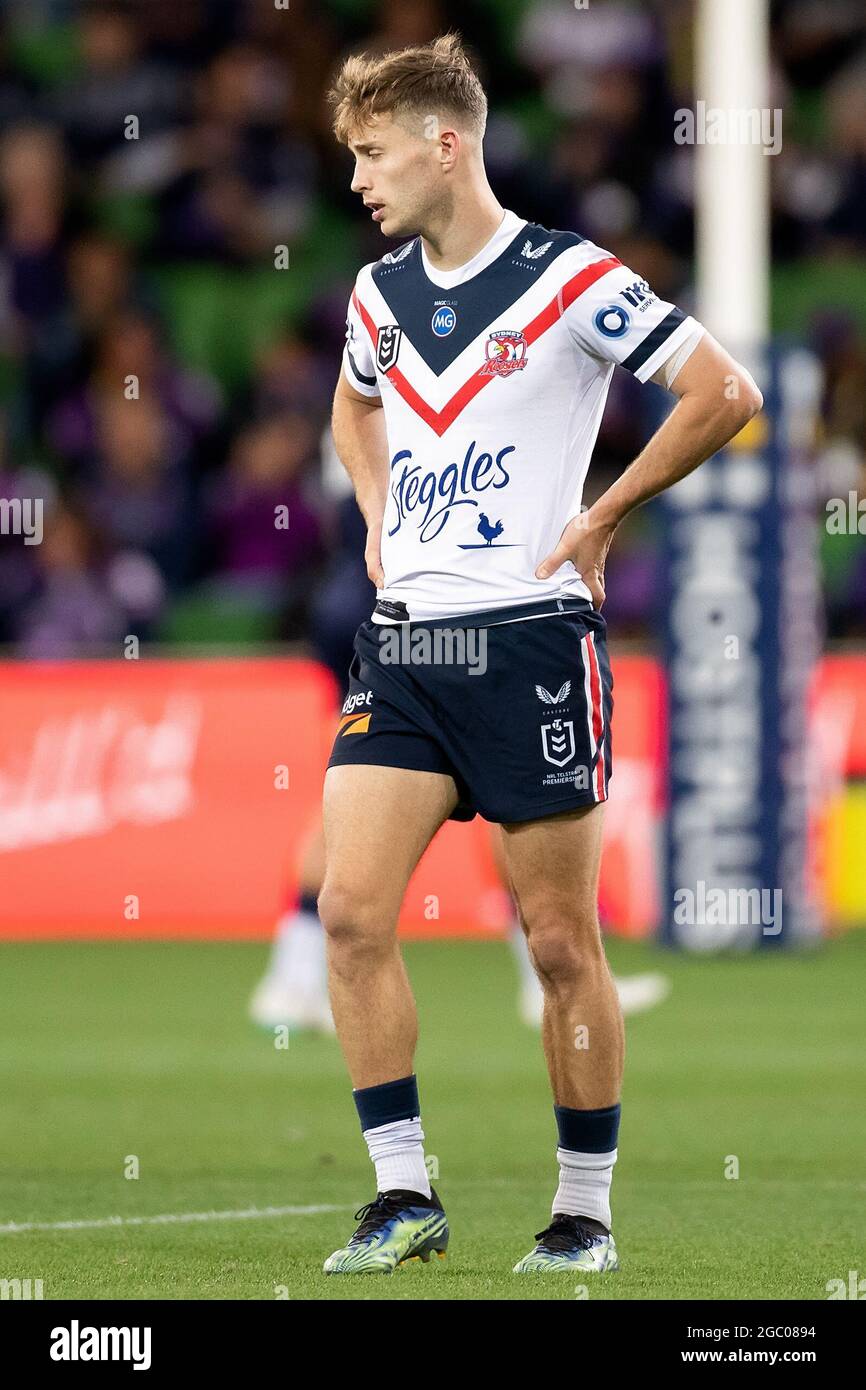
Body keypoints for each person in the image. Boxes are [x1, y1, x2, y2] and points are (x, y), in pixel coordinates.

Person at [315, 33, 761, 1276]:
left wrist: (602, 513)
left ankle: (581, 1211)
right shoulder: (373, 295)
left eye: (370, 151)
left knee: (559, 943)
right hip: (405, 647)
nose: (357, 178)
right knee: (350, 914)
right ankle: (402, 1196)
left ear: (443, 144)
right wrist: (373, 510)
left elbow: (721, 390)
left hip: (528, 650)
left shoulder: (568, 279)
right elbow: (353, 404)